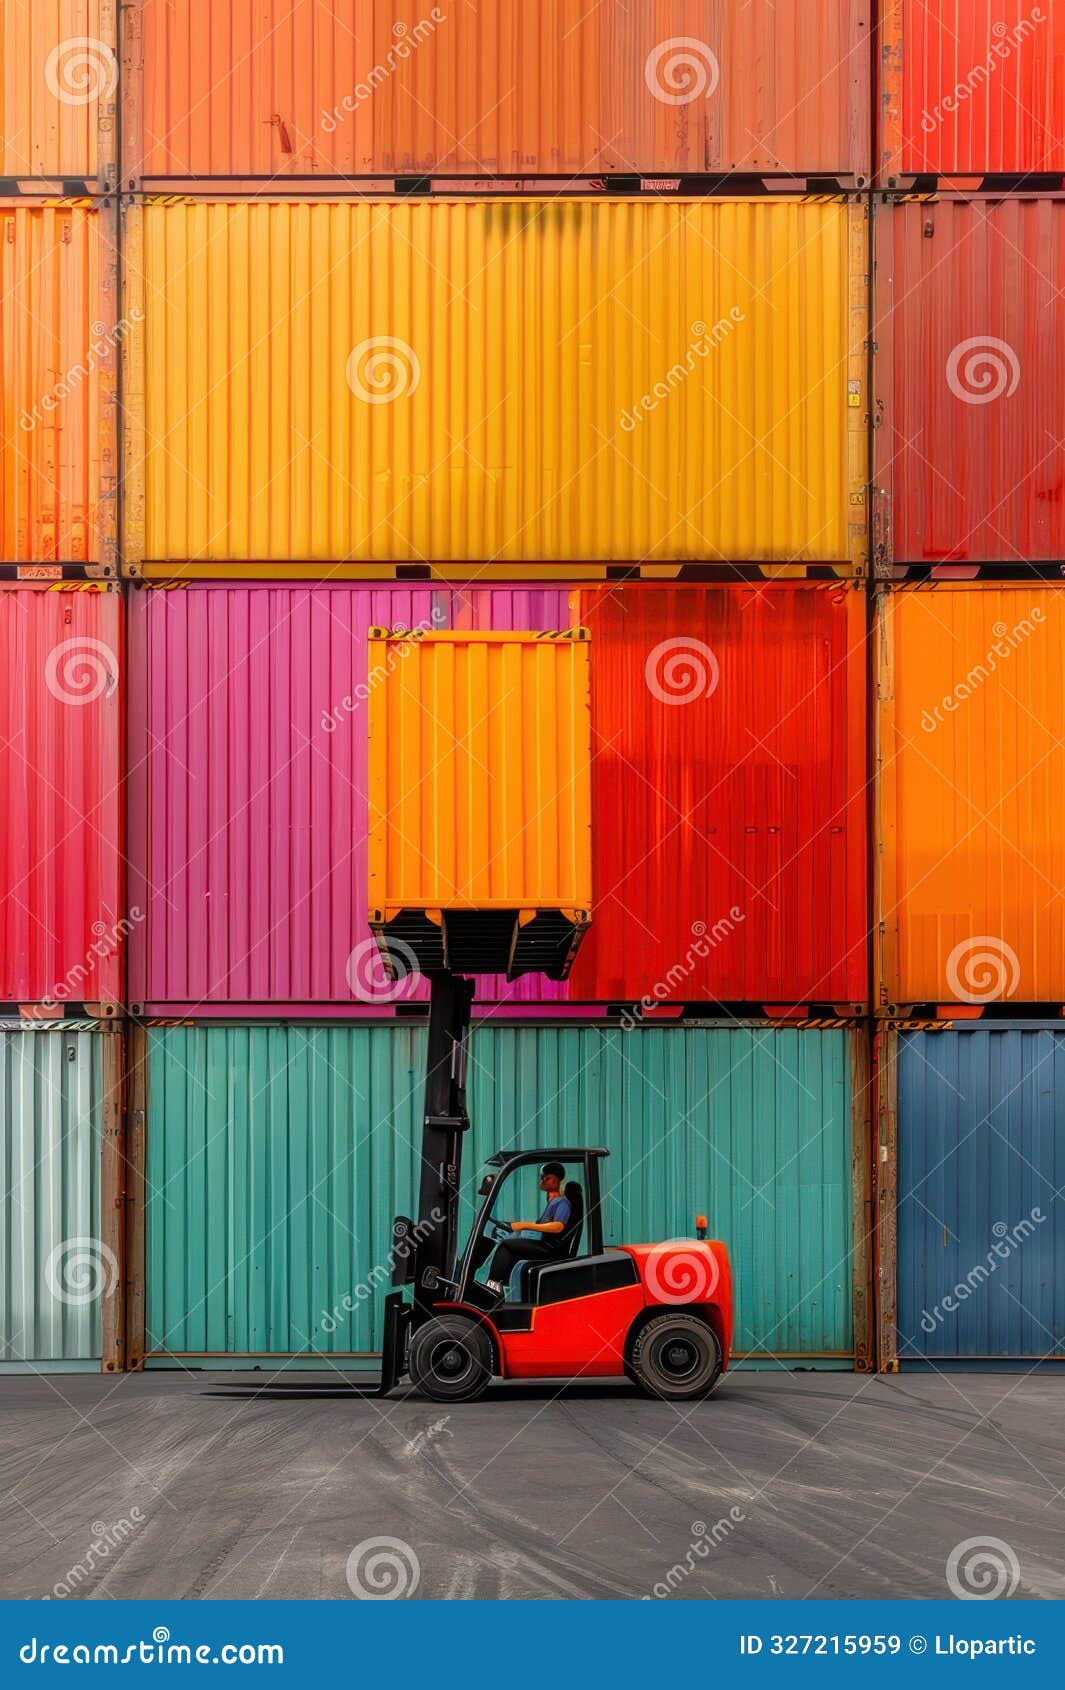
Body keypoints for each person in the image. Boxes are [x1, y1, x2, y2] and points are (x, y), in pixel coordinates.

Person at [486, 1162, 572, 1295]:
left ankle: (492, 1286)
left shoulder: (562, 1202)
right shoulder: (553, 1202)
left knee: (506, 1246)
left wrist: (524, 1225)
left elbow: (558, 1226)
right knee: (514, 1248)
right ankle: (503, 1289)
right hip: (548, 1245)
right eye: (543, 1177)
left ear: (558, 1180)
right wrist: (514, 1225)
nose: (543, 1180)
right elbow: (542, 1224)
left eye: (547, 1178)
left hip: (551, 1248)